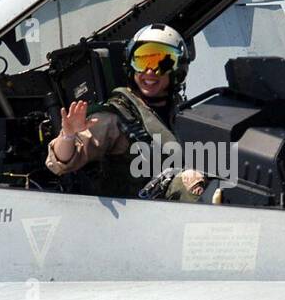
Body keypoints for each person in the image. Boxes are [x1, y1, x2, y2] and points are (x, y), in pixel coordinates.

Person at [46, 23, 206, 201]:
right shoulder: (113, 117)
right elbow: (62, 162)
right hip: (135, 215)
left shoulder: (181, 112)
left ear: (178, 69)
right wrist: (68, 135)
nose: (150, 71)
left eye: (162, 62)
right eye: (142, 60)